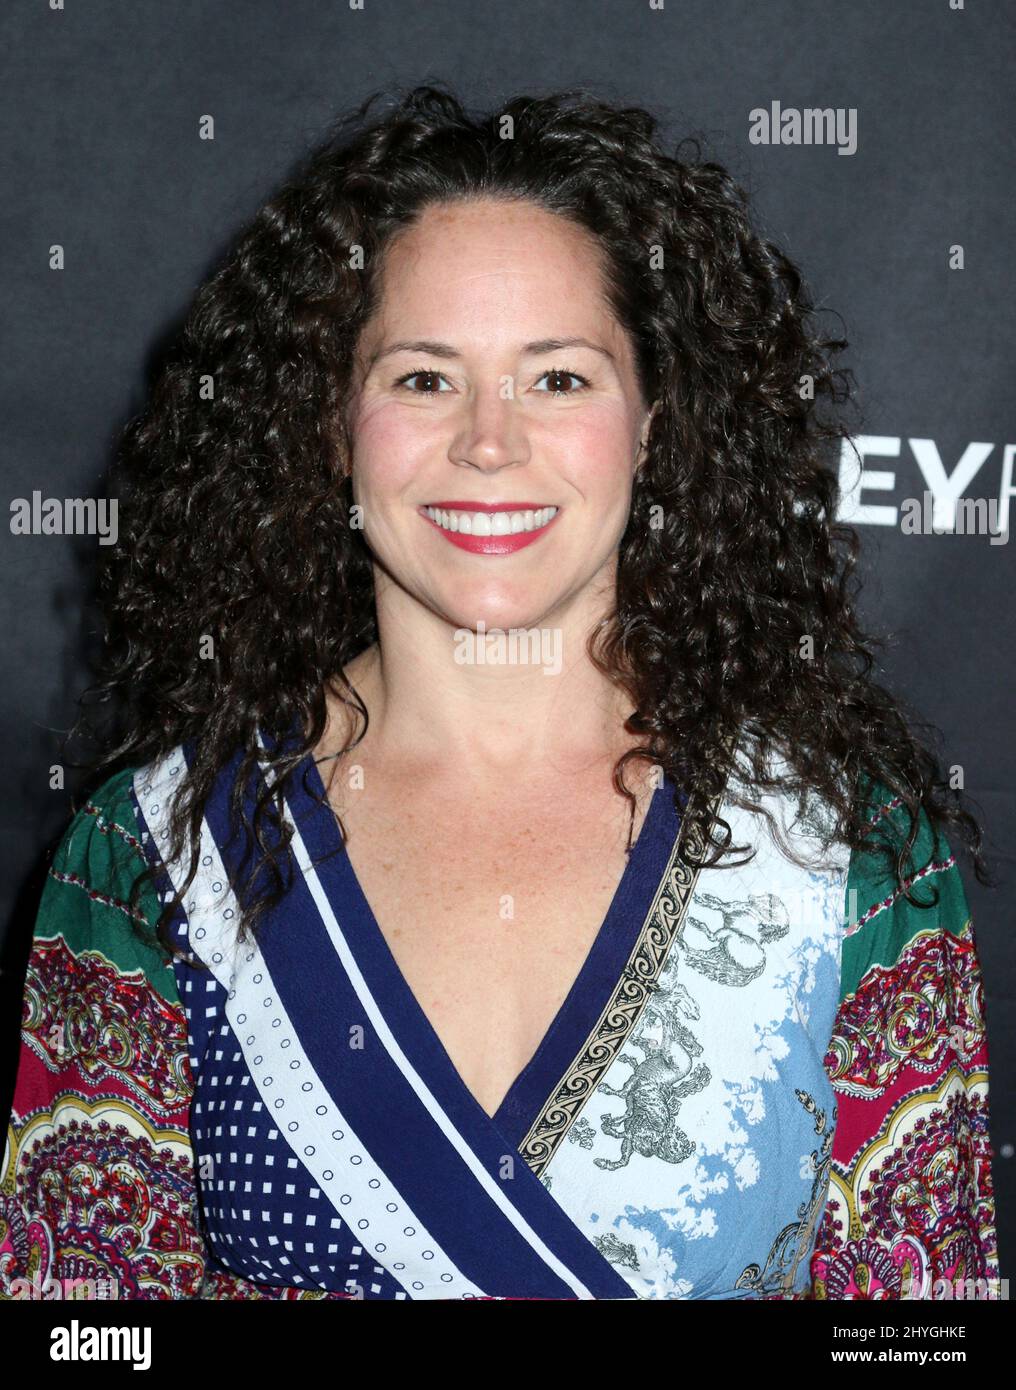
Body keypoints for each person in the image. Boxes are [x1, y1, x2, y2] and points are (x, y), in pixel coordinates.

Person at [1, 83, 998, 1301]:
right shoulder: (152, 857)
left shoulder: (848, 855)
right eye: (423, 378)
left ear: (652, 424)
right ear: (330, 425)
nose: (487, 439)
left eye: (558, 379)